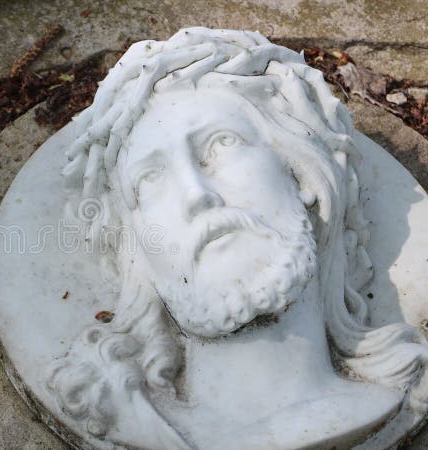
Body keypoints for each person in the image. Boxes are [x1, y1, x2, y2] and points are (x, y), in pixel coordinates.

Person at [47, 27, 428, 449]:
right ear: (135, 251)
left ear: (300, 173)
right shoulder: (126, 416)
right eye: (151, 179)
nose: (196, 195)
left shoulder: (391, 398)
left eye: (221, 143)